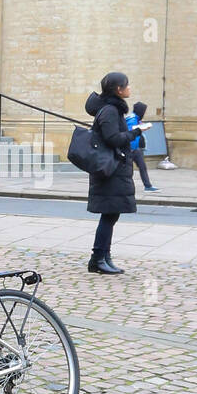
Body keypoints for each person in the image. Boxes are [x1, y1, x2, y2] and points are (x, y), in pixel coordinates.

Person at [85, 71, 136, 275]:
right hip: (109, 170)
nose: (130, 88)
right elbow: (113, 138)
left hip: (114, 169)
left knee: (112, 214)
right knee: (109, 214)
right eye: (127, 85)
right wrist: (136, 133)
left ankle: (104, 256)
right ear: (118, 89)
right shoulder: (110, 111)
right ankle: (97, 258)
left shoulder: (113, 109)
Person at [127, 102, 159, 193]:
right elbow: (130, 131)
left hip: (136, 149)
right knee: (128, 170)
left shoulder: (136, 118)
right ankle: (127, 188)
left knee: (142, 167)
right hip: (130, 149)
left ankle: (148, 186)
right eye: (143, 111)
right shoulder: (132, 119)